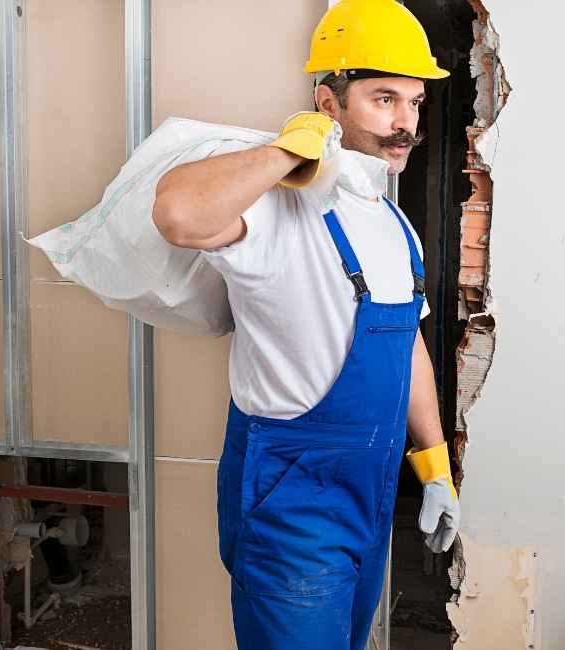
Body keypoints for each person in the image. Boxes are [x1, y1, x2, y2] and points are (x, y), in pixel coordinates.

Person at [151, 1, 459, 647]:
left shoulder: (393, 224)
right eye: (383, 99)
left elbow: (405, 348)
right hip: (296, 493)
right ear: (330, 102)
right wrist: (286, 152)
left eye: (415, 103)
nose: (405, 124)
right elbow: (180, 213)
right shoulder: (278, 209)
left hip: (367, 485)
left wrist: (434, 466)